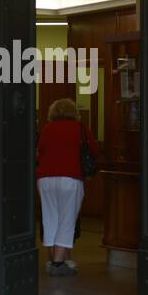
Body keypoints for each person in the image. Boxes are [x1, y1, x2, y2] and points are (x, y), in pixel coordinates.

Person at [36, 98, 99, 277]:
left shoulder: (47, 129)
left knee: (50, 218)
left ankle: (52, 259)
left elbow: (39, 151)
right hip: (71, 179)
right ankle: (57, 264)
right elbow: (94, 151)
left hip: (45, 179)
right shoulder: (80, 128)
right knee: (67, 219)